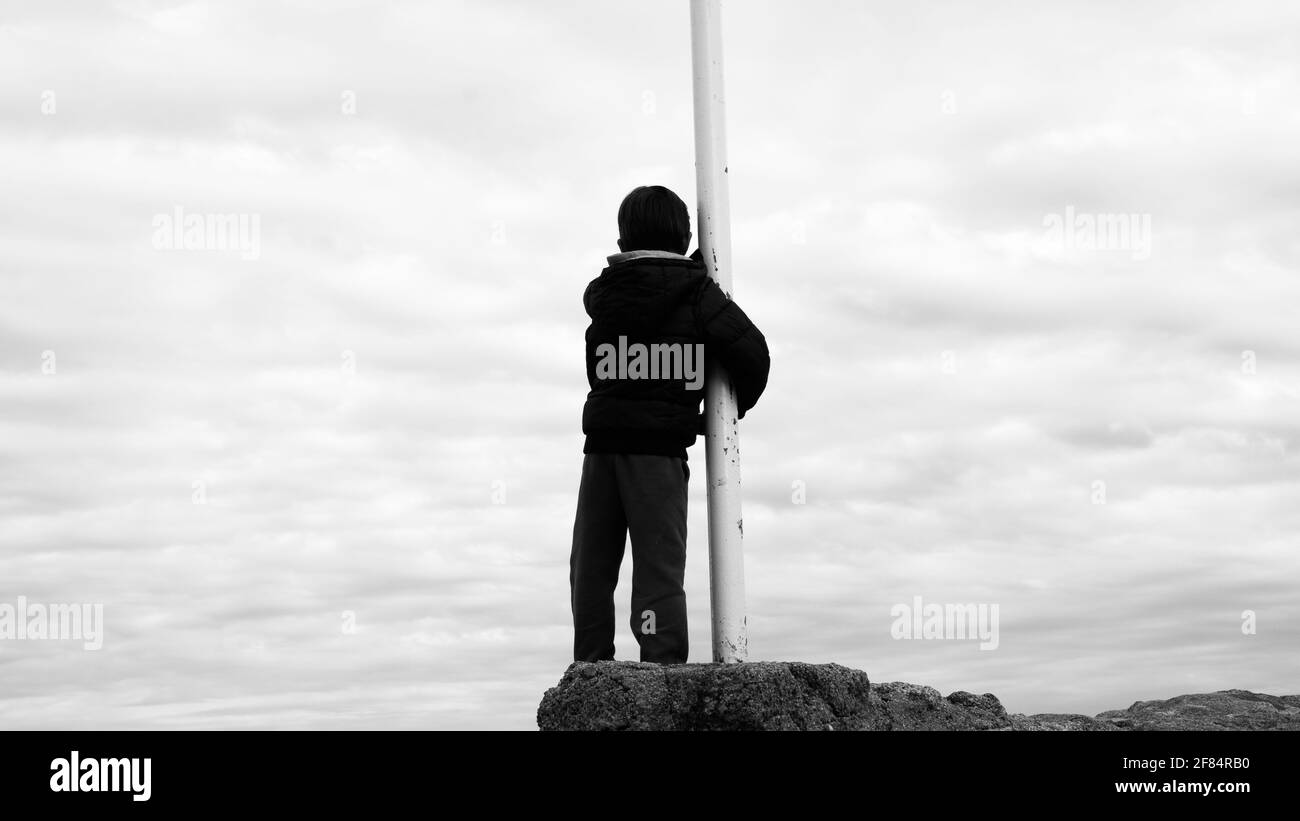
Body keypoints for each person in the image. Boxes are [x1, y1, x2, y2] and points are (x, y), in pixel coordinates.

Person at [570, 184, 770, 663]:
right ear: (683, 238)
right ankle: (660, 668)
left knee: (591, 567)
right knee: (657, 570)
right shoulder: (696, 294)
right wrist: (719, 417)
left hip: (601, 450)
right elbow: (753, 355)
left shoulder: (604, 294)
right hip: (657, 456)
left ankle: (590, 667)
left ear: (621, 243)